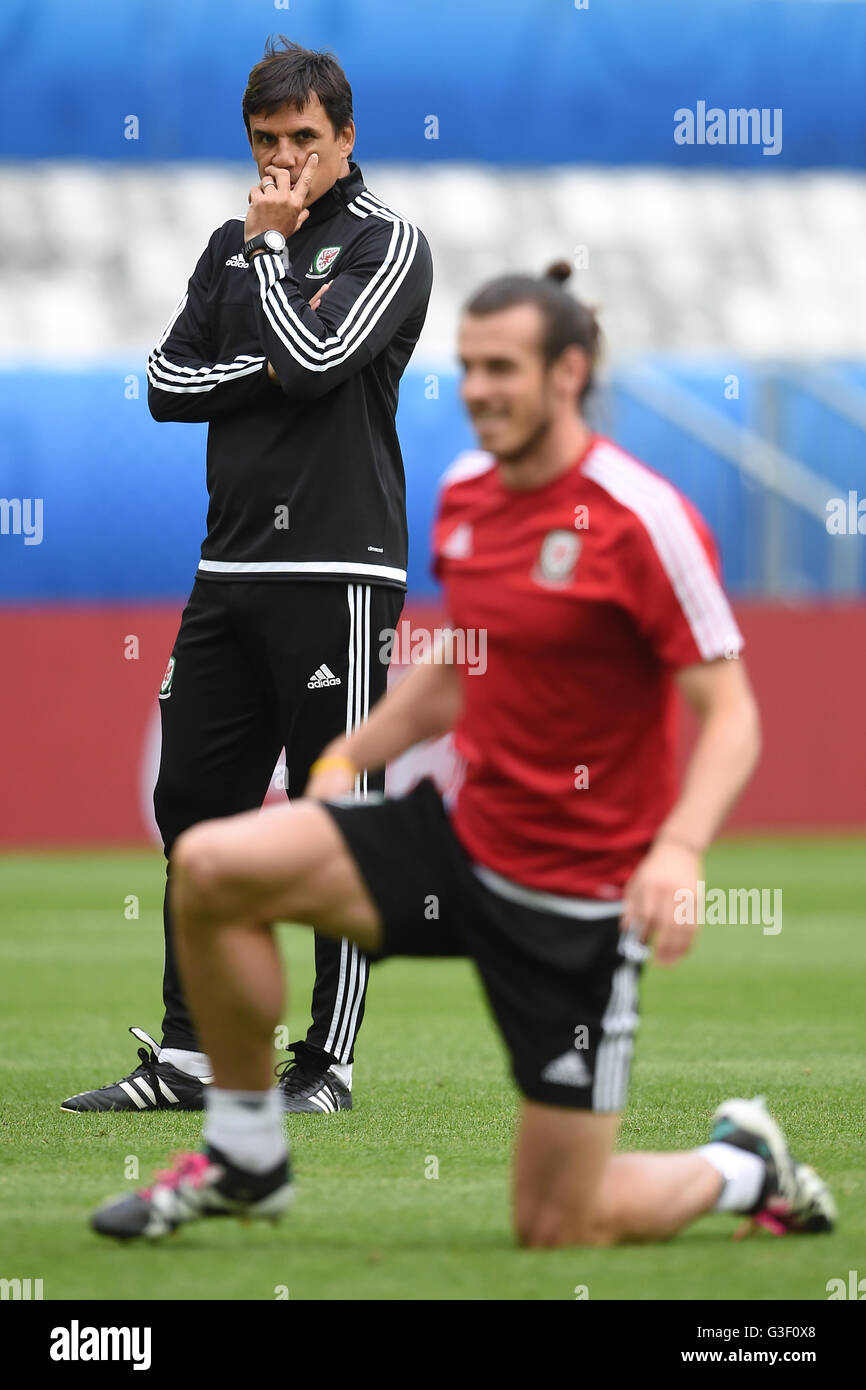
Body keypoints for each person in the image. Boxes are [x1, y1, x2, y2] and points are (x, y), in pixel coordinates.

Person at [91, 264, 835, 1245]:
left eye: (501, 369)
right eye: (468, 367)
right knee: (214, 866)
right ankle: (245, 1155)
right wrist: (355, 747)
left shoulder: (640, 516)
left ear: (567, 373)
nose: (476, 389)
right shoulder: (468, 493)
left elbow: (729, 713)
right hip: (462, 842)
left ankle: (740, 1167)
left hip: (573, 898)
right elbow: (463, 660)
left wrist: (679, 850)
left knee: (558, 1225)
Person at [62, 38, 433, 1117]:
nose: (283, 164)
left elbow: (323, 364)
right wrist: (265, 356)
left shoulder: (386, 241)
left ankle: (326, 1063)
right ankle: (191, 1055)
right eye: (266, 143)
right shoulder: (228, 244)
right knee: (195, 808)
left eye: (303, 142)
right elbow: (166, 383)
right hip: (229, 566)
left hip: (340, 566)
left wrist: (273, 274)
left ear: (345, 139)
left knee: (335, 813)